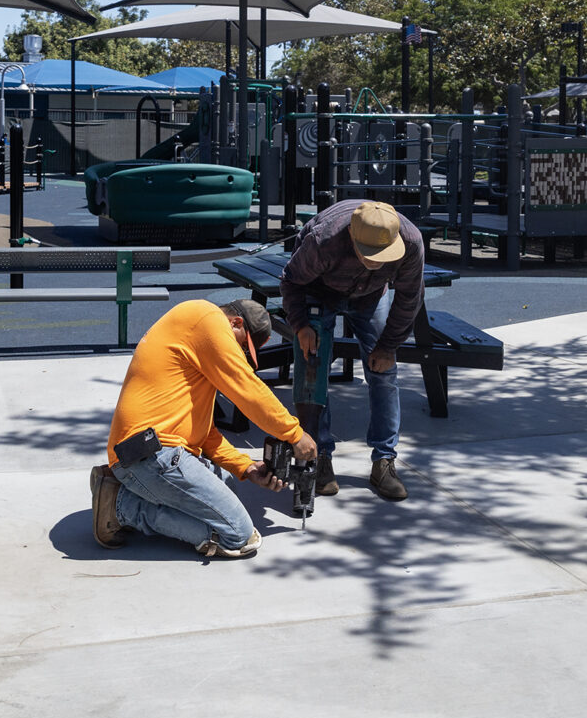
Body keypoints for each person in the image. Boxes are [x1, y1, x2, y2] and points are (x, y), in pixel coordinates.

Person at [91, 298, 318, 558]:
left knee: (229, 485)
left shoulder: (195, 346)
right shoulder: (206, 317)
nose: (240, 356)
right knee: (239, 535)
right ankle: (123, 508)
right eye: (243, 346)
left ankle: (122, 489)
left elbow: (205, 434)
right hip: (149, 455)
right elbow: (248, 390)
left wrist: (246, 467)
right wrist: (294, 434)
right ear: (235, 323)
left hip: (154, 453)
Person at [280, 199, 424, 501]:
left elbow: (409, 298)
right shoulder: (323, 241)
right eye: (370, 254)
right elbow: (291, 281)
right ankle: (319, 456)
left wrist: (388, 346)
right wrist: (301, 324)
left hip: (371, 296)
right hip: (318, 290)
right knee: (312, 368)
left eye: (384, 255)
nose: (377, 261)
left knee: (384, 371)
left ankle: (384, 460)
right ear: (352, 239)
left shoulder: (411, 242)